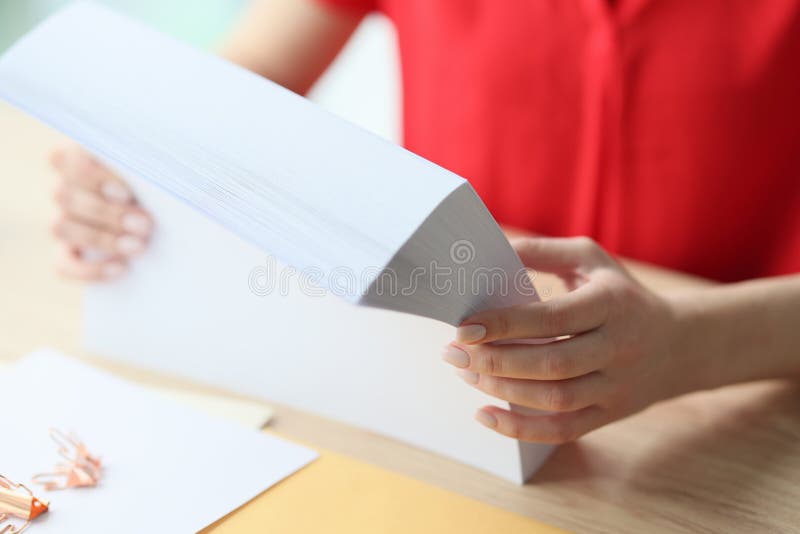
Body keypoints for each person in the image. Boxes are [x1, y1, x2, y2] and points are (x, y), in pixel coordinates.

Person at [49, 0, 800, 444]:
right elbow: (244, 77)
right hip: (441, 395)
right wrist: (133, 156)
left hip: (743, 403)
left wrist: (689, 345)